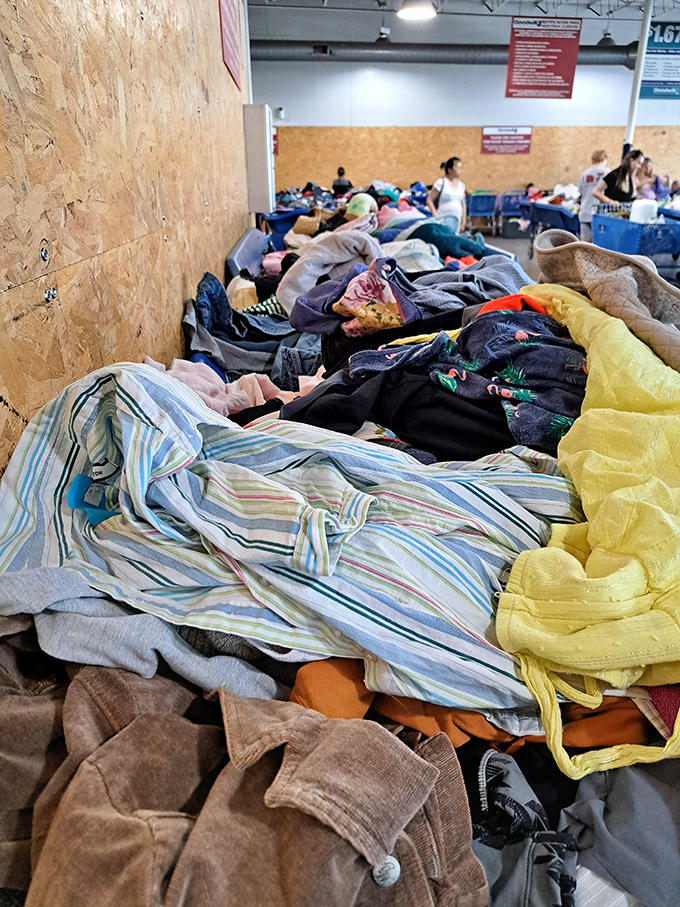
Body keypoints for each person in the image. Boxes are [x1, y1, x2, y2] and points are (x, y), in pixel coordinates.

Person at [427, 157, 466, 233]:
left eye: (461, 168)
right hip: (443, 221)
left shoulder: (461, 185)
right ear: (449, 170)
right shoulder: (441, 183)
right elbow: (429, 200)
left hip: (457, 223)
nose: (460, 170)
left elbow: (463, 204)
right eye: (458, 168)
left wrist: (463, 222)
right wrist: (436, 216)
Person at [578, 150, 609, 241]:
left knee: (585, 245)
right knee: (599, 245)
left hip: (584, 212)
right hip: (599, 213)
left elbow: (580, 192)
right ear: (603, 159)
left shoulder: (584, 174)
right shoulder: (607, 173)